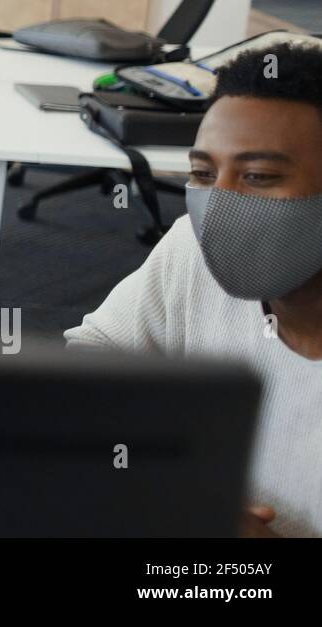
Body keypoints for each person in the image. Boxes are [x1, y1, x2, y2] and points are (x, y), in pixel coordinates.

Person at [65, 40, 322, 537]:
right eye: (203, 173)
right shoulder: (192, 248)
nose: (219, 205)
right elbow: (90, 360)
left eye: (259, 176)